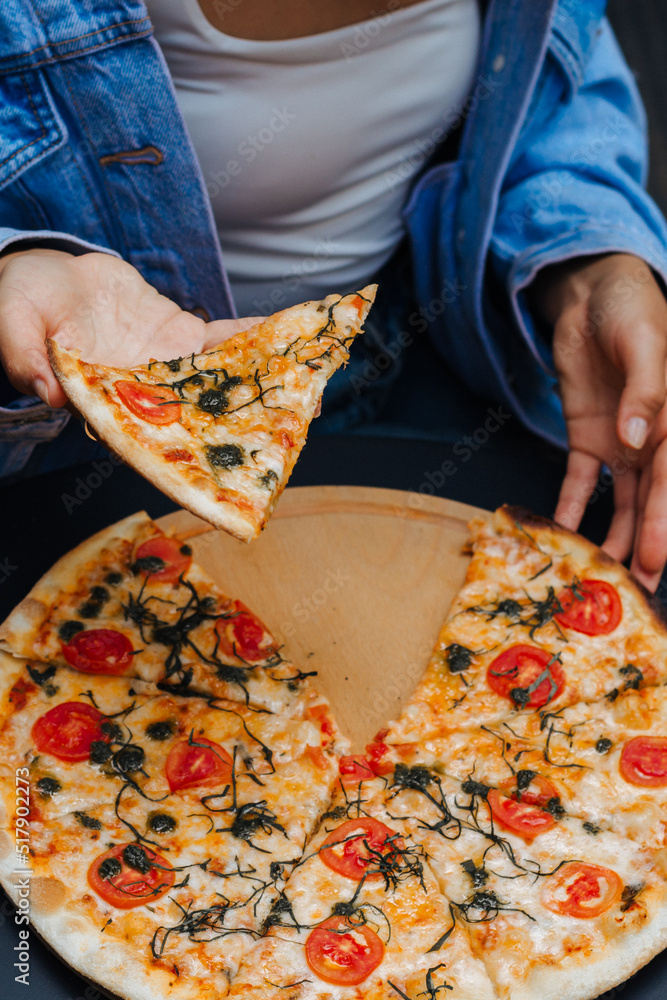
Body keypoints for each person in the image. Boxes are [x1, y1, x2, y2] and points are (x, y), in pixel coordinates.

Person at [1, 0, 667, 591]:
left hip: (429, 351)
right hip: (79, 433)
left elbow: (553, 90)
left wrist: (588, 264)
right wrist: (17, 258)